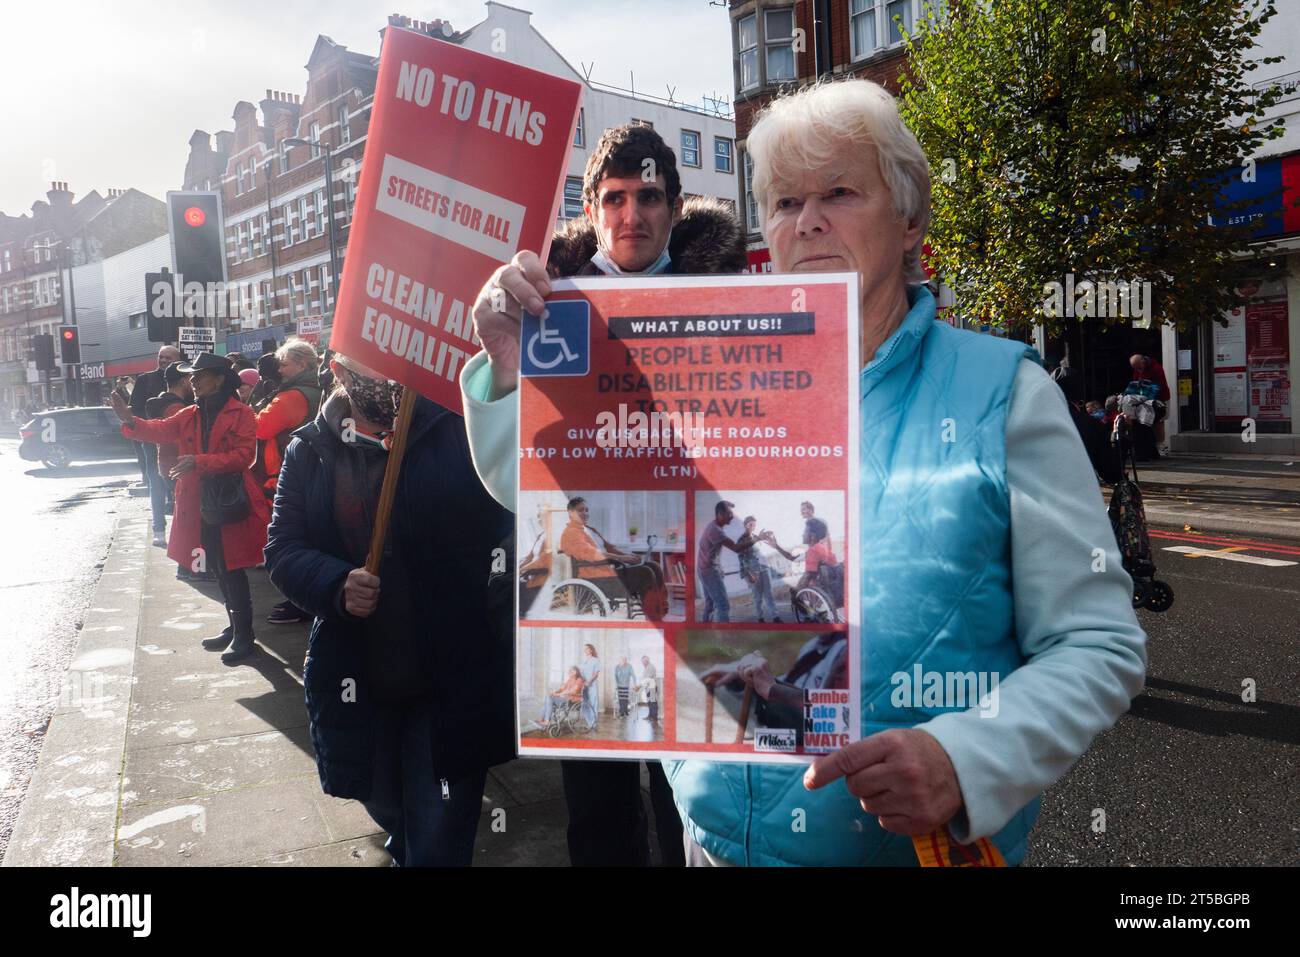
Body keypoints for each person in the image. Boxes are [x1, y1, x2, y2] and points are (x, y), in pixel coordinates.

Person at [460, 122, 744, 867]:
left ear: (676, 206)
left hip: (689, 611)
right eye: (614, 197)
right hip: (584, 614)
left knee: (700, 807)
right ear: (589, 208)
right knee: (598, 820)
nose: (632, 216)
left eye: (650, 195)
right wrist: (501, 359)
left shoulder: (735, 303)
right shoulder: (547, 310)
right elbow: (507, 478)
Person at [264, 352, 514, 867]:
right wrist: (336, 583)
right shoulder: (309, 450)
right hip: (358, 674)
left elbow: (502, 516)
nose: (388, 378)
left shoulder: (455, 429)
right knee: (390, 808)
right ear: (339, 371)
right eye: (370, 365)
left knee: (439, 837)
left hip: (449, 677)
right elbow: (283, 549)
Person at [110, 352, 270, 664]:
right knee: (218, 566)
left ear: (219, 379)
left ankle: (244, 634)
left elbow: (244, 457)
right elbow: (159, 430)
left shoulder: (242, 414)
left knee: (232, 565)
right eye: (191, 376)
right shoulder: (191, 413)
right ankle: (235, 626)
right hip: (199, 500)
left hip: (229, 501)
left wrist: (199, 461)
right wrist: (130, 420)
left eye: (198, 375)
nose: (192, 381)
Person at [255, 339, 323, 626]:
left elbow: (259, 426)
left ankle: (303, 599)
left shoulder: (292, 396)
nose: (279, 369)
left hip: (286, 472)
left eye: (284, 363)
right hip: (310, 469)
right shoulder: (316, 390)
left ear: (302, 364)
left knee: (292, 540)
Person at [558, 496, 665, 616]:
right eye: (580, 510)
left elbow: (609, 548)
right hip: (597, 577)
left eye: (586, 510)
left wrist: (628, 557)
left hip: (608, 570)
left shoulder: (589, 530)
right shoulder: (571, 533)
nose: (585, 513)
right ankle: (654, 615)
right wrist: (621, 558)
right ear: (571, 513)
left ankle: (660, 609)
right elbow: (591, 553)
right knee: (645, 572)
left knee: (653, 565)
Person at [143, 362, 194, 540]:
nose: (193, 381)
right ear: (182, 381)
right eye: (190, 378)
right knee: (186, 512)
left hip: (166, 463)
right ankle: (186, 554)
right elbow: (182, 440)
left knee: (179, 507)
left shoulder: (163, 402)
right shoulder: (176, 408)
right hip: (178, 464)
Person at [130, 346, 181, 493]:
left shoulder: (185, 378)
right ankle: (158, 516)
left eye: (168, 357)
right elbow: (135, 408)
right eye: (161, 357)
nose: (163, 360)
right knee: (155, 479)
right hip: (152, 437)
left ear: (177, 359)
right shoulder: (145, 379)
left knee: (179, 476)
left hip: (178, 437)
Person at [696, 500, 752, 623]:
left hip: (704, 568)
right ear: (720, 514)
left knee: (710, 604)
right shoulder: (715, 530)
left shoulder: (714, 526)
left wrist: (719, 567)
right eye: (729, 513)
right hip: (708, 570)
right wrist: (756, 539)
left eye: (731, 513)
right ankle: (725, 636)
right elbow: (736, 548)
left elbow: (711, 553)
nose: (731, 516)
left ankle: (703, 631)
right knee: (723, 605)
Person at [738, 515, 781, 622]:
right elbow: (741, 558)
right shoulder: (741, 539)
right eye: (750, 524)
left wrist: (767, 536)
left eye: (754, 524)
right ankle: (760, 618)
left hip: (764, 568)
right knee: (757, 597)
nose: (753, 526)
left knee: (769, 594)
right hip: (752, 571)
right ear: (745, 525)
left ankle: (775, 617)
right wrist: (747, 574)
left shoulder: (756, 536)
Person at [577, 643, 602, 729]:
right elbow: (580, 673)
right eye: (584, 649)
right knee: (584, 705)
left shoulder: (596, 660)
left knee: (593, 704)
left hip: (591, 685)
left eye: (587, 648)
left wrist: (589, 681)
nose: (585, 650)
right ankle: (590, 722)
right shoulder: (584, 661)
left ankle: (593, 724)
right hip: (584, 686)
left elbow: (596, 673)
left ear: (591, 650)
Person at [639, 656, 659, 724]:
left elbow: (647, 679)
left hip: (652, 688)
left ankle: (654, 717)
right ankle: (650, 716)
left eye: (644, 661)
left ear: (647, 660)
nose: (643, 663)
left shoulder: (651, 667)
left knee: (653, 703)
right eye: (642, 662)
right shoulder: (646, 667)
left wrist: (639, 686)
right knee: (650, 703)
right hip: (648, 688)